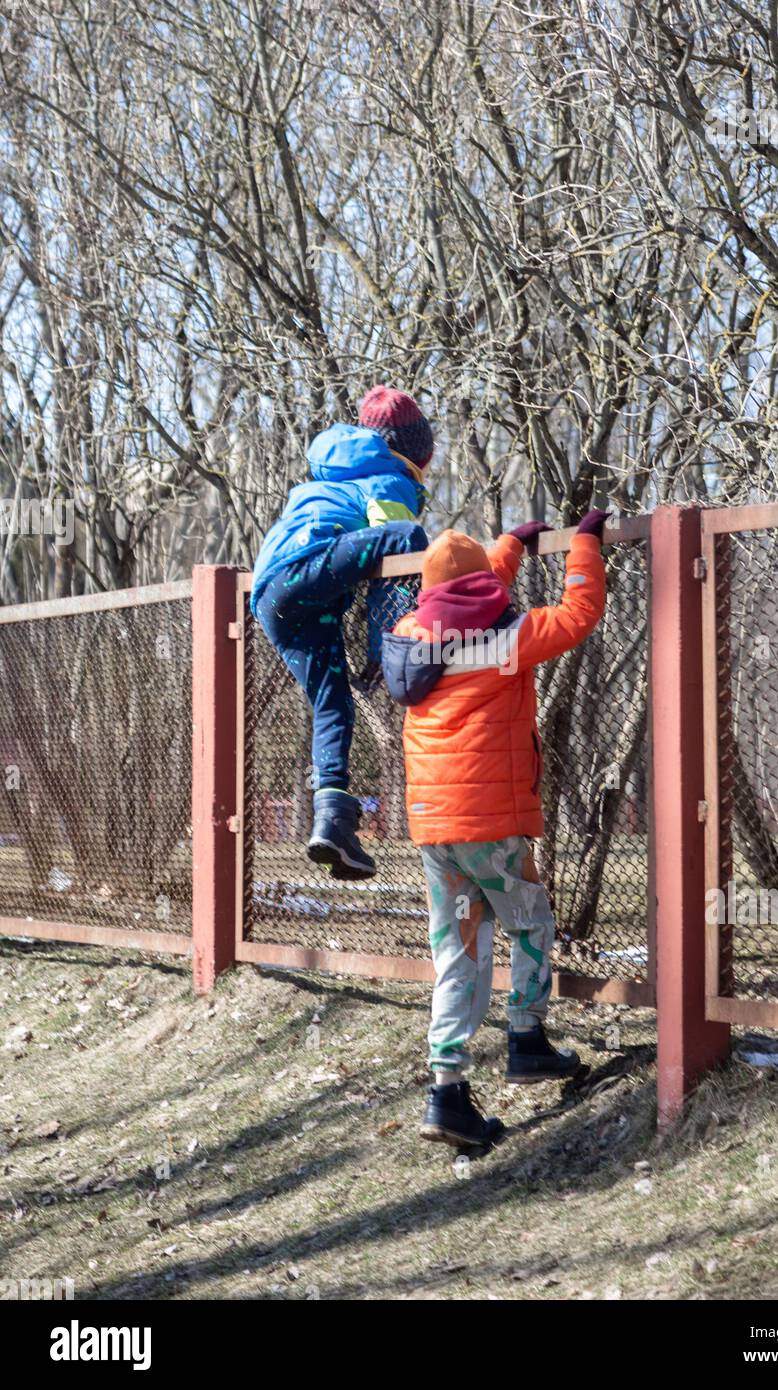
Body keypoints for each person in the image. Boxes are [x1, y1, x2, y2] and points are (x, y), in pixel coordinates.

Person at [381, 509, 609, 1148]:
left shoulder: (407, 636)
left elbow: (462, 596)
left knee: (458, 951)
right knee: (530, 921)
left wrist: (506, 548)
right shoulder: (506, 640)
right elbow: (576, 616)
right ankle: (527, 1038)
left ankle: (447, 1091)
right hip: (494, 824)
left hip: (435, 830)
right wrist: (583, 545)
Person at [252, 386, 433, 879]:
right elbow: (400, 553)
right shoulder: (389, 477)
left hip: (274, 597)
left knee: (332, 703)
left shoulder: (328, 477)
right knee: (411, 538)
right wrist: (386, 645)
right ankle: (394, 645)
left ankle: (333, 822)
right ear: (417, 452)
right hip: (303, 572)